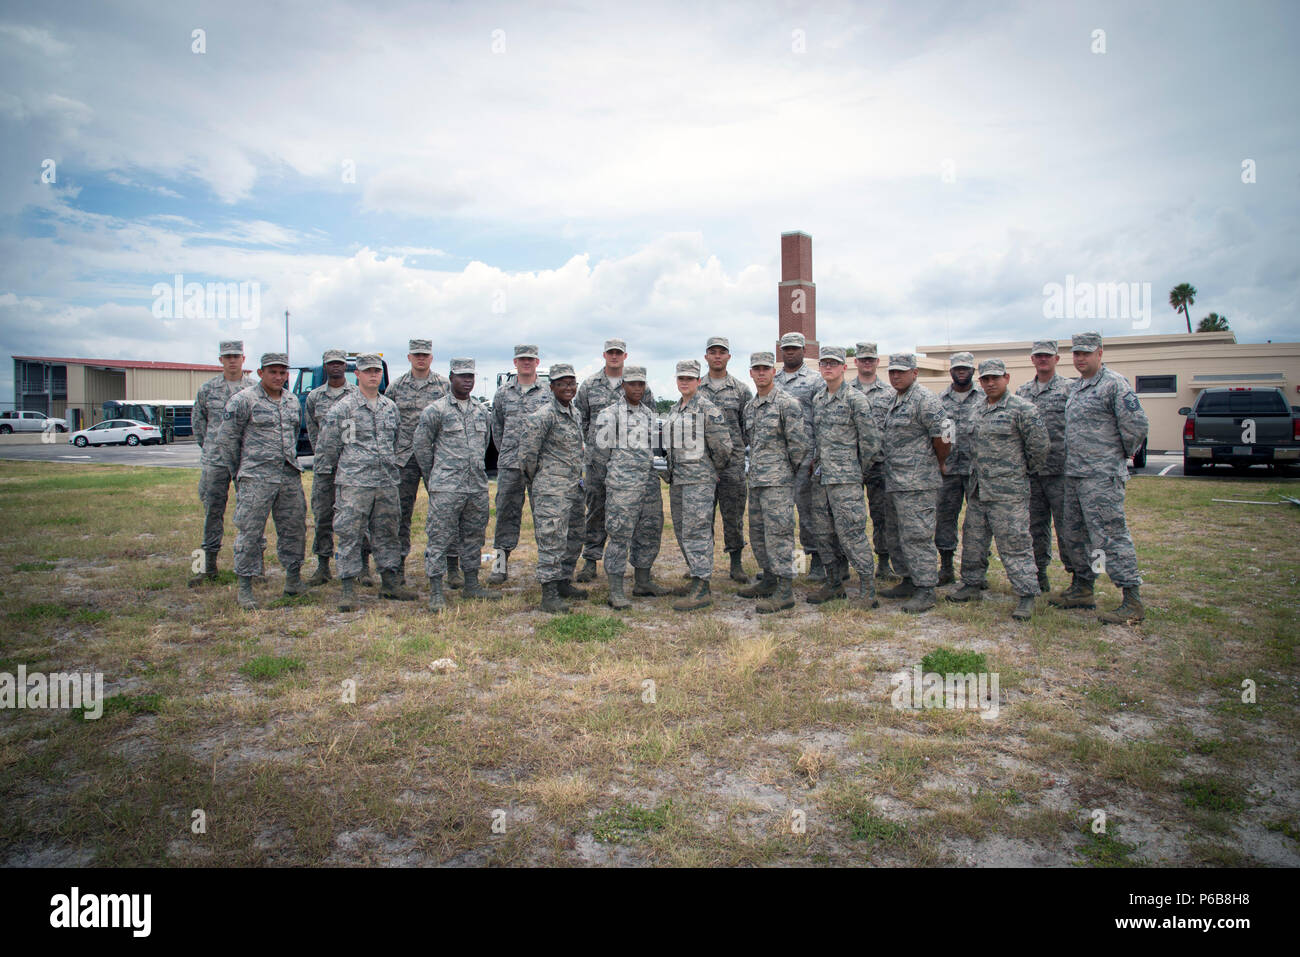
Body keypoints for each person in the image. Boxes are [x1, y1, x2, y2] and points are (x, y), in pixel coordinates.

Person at [1049, 332, 1150, 622]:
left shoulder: (1114, 384)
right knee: (1076, 536)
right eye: (1077, 353)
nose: (1081, 358)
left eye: (1086, 353)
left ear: (1100, 353)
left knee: (1110, 537)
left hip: (1101, 477)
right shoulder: (1077, 387)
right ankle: (1083, 588)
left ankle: (1132, 599)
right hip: (1075, 475)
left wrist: (1117, 456)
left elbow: (1137, 425)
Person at [948, 359, 1049, 620]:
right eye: (985, 379)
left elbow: (1039, 448)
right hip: (979, 489)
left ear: (1007, 378)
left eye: (995, 378)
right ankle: (972, 584)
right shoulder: (977, 409)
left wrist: (1018, 473)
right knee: (973, 540)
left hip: (1008, 492)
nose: (990, 383)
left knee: (1015, 543)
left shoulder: (1023, 409)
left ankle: (1026, 594)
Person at [313, 354, 414, 611]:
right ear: (356, 374)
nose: (373, 375)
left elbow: (397, 440)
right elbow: (329, 447)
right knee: (350, 534)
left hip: (386, 482)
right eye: (368, 371)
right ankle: (348, 588)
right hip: (354, 483)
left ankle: (389, 584)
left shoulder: (389, 407)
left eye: (377, 372)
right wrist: (343, 474)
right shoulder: (343, 409)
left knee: (388, 533)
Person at [214, 352, 307, 610]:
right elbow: (227, 440)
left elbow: (293, 433)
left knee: (294, 530)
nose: (278, 377)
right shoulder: (244, 401)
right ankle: (245, 587)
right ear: (260, 373)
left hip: (288, 475)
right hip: (256, 477)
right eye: (273, 372)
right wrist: (241, 472)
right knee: (250, 533)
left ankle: (293, 580)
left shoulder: (291, 401)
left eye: (282, 372)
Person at [413, 358, 497, 612]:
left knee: (473, 537)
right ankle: (436, 590)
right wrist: (435, 478)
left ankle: (471, 584)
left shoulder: (481, 411)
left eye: (471, 376)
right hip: (446, 487)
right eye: (462, 376)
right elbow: (421, 447)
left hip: (475, 487)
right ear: (451, 378)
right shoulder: (435, 411)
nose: (467, 380)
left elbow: (484, 446)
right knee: (439, 538)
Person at [574, 338, 654, 582]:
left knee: (628, 513)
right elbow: (581, 420)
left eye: (619, 353)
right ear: (604, 355)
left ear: (625, 356)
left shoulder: (639, 386)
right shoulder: (589, 385)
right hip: (597, 460)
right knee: (596, 509)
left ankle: (631, 566)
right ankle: (590, 559)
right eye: (611, 353)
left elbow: (645, 419)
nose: (614, 356)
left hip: (629, 465)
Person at [807, 346, 881, 607]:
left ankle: (868, 588)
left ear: (844, 368)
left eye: (833, 363)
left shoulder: (855, 399)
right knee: (824, 534)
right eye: (824, 363)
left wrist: (854, 470)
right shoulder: (818, 399)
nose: (828, 367)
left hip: (846, 481)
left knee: (852, 534)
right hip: (822, 480)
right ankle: (833, 582)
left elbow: (871, 442)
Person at [878, 354, 952, 613]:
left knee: (918, 536)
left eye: (901, 372)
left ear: (915, 372)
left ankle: (926, 589)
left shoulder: (926, 399)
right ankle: (908, 580)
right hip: (895, 481)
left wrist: (938, 461)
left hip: (918, 483)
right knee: (897, 535)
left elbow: (946, 434)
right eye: (892, 372)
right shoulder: (893, 399)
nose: (896, 376)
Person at [739, 351, 811, 613]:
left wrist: (784, 472)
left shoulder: (787, 404)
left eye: (765, 369)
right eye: (756, 369)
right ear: (750, 373)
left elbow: (799, 446)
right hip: (757, 481)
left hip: (778, 483)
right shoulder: (751, 406)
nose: (760, 373)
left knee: (780, 534)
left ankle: (785, 589)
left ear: (773, 371)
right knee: (758, 533)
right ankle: (768, 578)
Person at [590, 365, 666, 609]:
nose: (637, 388)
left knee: (650, 531)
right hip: (622, 486)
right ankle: (615, 589)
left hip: (649, 485)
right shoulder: (608, 415)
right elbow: (599, 456)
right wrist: (611, 482)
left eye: (641, 384)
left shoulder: (650, 416)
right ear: (623, 385)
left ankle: (643, 582)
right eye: (632, 383)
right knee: (620, 535)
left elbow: (657, 449)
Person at [517, 363, 589, 614]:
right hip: (551, 489)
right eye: (562, 384)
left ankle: (563, 581)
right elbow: (527, 455)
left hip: (574, 486)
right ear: (552, 387)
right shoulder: (543, 416)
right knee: (552, 538)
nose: (568, 388)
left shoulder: (575, 413)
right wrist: (541, 480)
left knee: (575, 535)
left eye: (572, 383)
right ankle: (548, 593)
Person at [663, 359, 734, 612]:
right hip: (678, 479)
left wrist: (710, 470)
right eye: (681, 378)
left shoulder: (707, 409)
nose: (685, 382)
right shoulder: (674, 409)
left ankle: (702, 587)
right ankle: (696, 576)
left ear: (699, 381)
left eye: (689, 378)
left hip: (699, 481)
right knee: (683, 531)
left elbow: (723, 448)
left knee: (697, 531)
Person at [190, 340, 255, 585]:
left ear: (243, 359)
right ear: (220, 360)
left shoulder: (253, 389)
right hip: (215, 461)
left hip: (245, 460)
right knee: (212, 513)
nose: (232, 360)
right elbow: (199, 425)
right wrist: (213, 448)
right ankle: (206, 567)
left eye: (236, 356)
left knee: (250, 515)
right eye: (227, 356)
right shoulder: (207, 389)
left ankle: (252, 567)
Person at [386, 338, 451, 586]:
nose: (421, 358)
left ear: (431, 358)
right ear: (409, 358)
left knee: (444, 513)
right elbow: (388, 420)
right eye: (416, 355)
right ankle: (398, 565)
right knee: (400, 514)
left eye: (425, 354)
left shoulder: (444, 385)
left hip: (437, 459)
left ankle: (449, 566)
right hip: (404, 459)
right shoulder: (396, 387)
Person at [1015, 339, 1075, 593]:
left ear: (1056, 359)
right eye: (1038, 356)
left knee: (1068, 528)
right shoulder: (1023, 393)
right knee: (1034, 528)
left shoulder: (1071, 389)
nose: (1043, 360)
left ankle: (1079, 580)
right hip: (1033, 473)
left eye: (1047, 356)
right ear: (1032, 359)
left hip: (1061, 471)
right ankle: (1039, 575)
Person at [487, 344, 550, 585]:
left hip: (540, 466)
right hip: (510, 465)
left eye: (531, 359)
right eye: (522, 359)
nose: (526, 363)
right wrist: (510, 453)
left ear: (537, 362)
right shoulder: (502, 393)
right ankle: (500, 567)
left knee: (544, 517)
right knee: (505, 515)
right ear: (515, 362)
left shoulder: (547, 393)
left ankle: (547, 568)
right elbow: (497, 429)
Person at [304, 349, 362, 587]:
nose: (336, 367)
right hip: (326, 467)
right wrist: (324, 456)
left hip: (353, 467)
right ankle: (323, 564)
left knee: (358, 517)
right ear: (324, 366)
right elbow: (313, 432)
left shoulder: (358, 395)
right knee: (323, 514)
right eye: (331, 364)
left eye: (340, 363)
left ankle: (362, 566)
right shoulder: (314, 398)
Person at [773, 331, 827, 580]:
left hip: (806, 457)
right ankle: (787, 565)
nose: (790, 352)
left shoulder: (816, 381)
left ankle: (815, 559)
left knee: (808, 513)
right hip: (780, 459)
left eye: (795, 348)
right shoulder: (773, 381)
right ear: (780, 351)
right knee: (781, 516)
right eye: (786, 348)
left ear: (804, 350)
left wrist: (817, 455)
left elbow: (822, 419)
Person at [701, 336, 753, 583]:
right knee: (702, 517)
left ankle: (736, 563)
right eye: (713, 352)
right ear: (706, 357)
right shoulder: (697, 387)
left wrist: (732, 449)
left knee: (733, 516)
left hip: (732, 465)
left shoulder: (741, 390)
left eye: (722, 352)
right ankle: (702, 565)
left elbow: (747, 426)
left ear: (729, 357)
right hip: (702, 464)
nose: (718, 356)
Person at [849, 341, 897, 581]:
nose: (867, 363)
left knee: (881, 516)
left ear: (878, 362)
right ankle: (854, 564)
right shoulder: (846, 391)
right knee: (851, 517)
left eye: (871, 359)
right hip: (852, 465)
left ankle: (884, 561)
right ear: (855, 362)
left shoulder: (890, 394)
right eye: (863, 359)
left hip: (880, 464)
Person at [936, 352, 983, 586]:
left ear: (973, 370)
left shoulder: (985, 397)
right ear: (951, 371)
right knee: (944, 520)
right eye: (957, 368)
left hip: (978, 472)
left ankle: (976, 573)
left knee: (977, 525)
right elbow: (937, 435)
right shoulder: (940, 400)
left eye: (965, 368)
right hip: (949, 470)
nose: (961, 371)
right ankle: (946, 567)